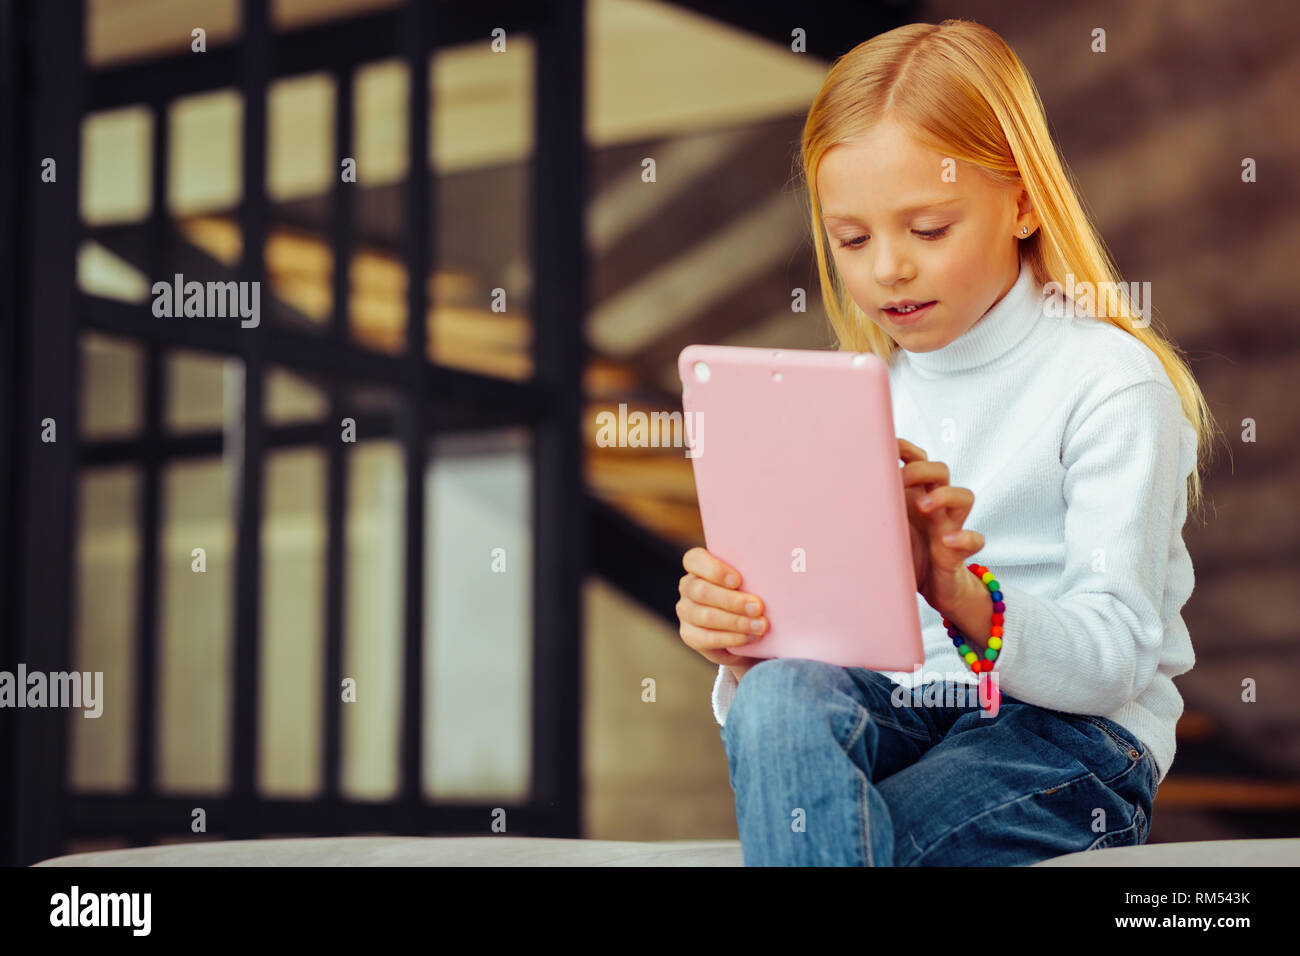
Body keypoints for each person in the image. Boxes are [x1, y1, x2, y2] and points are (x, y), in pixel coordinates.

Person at [675, 18, 1218, 866]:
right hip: (893, 706)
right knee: (777, 695)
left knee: (868, 843)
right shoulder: (855, 393)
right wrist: (748, 644)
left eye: (928, 229)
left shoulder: (1111, 382)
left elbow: (1112, 662)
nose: (886, 267)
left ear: (1025, 202)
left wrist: (963, 597)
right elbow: (816, 674)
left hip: (1062, 739)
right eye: (851, 238)